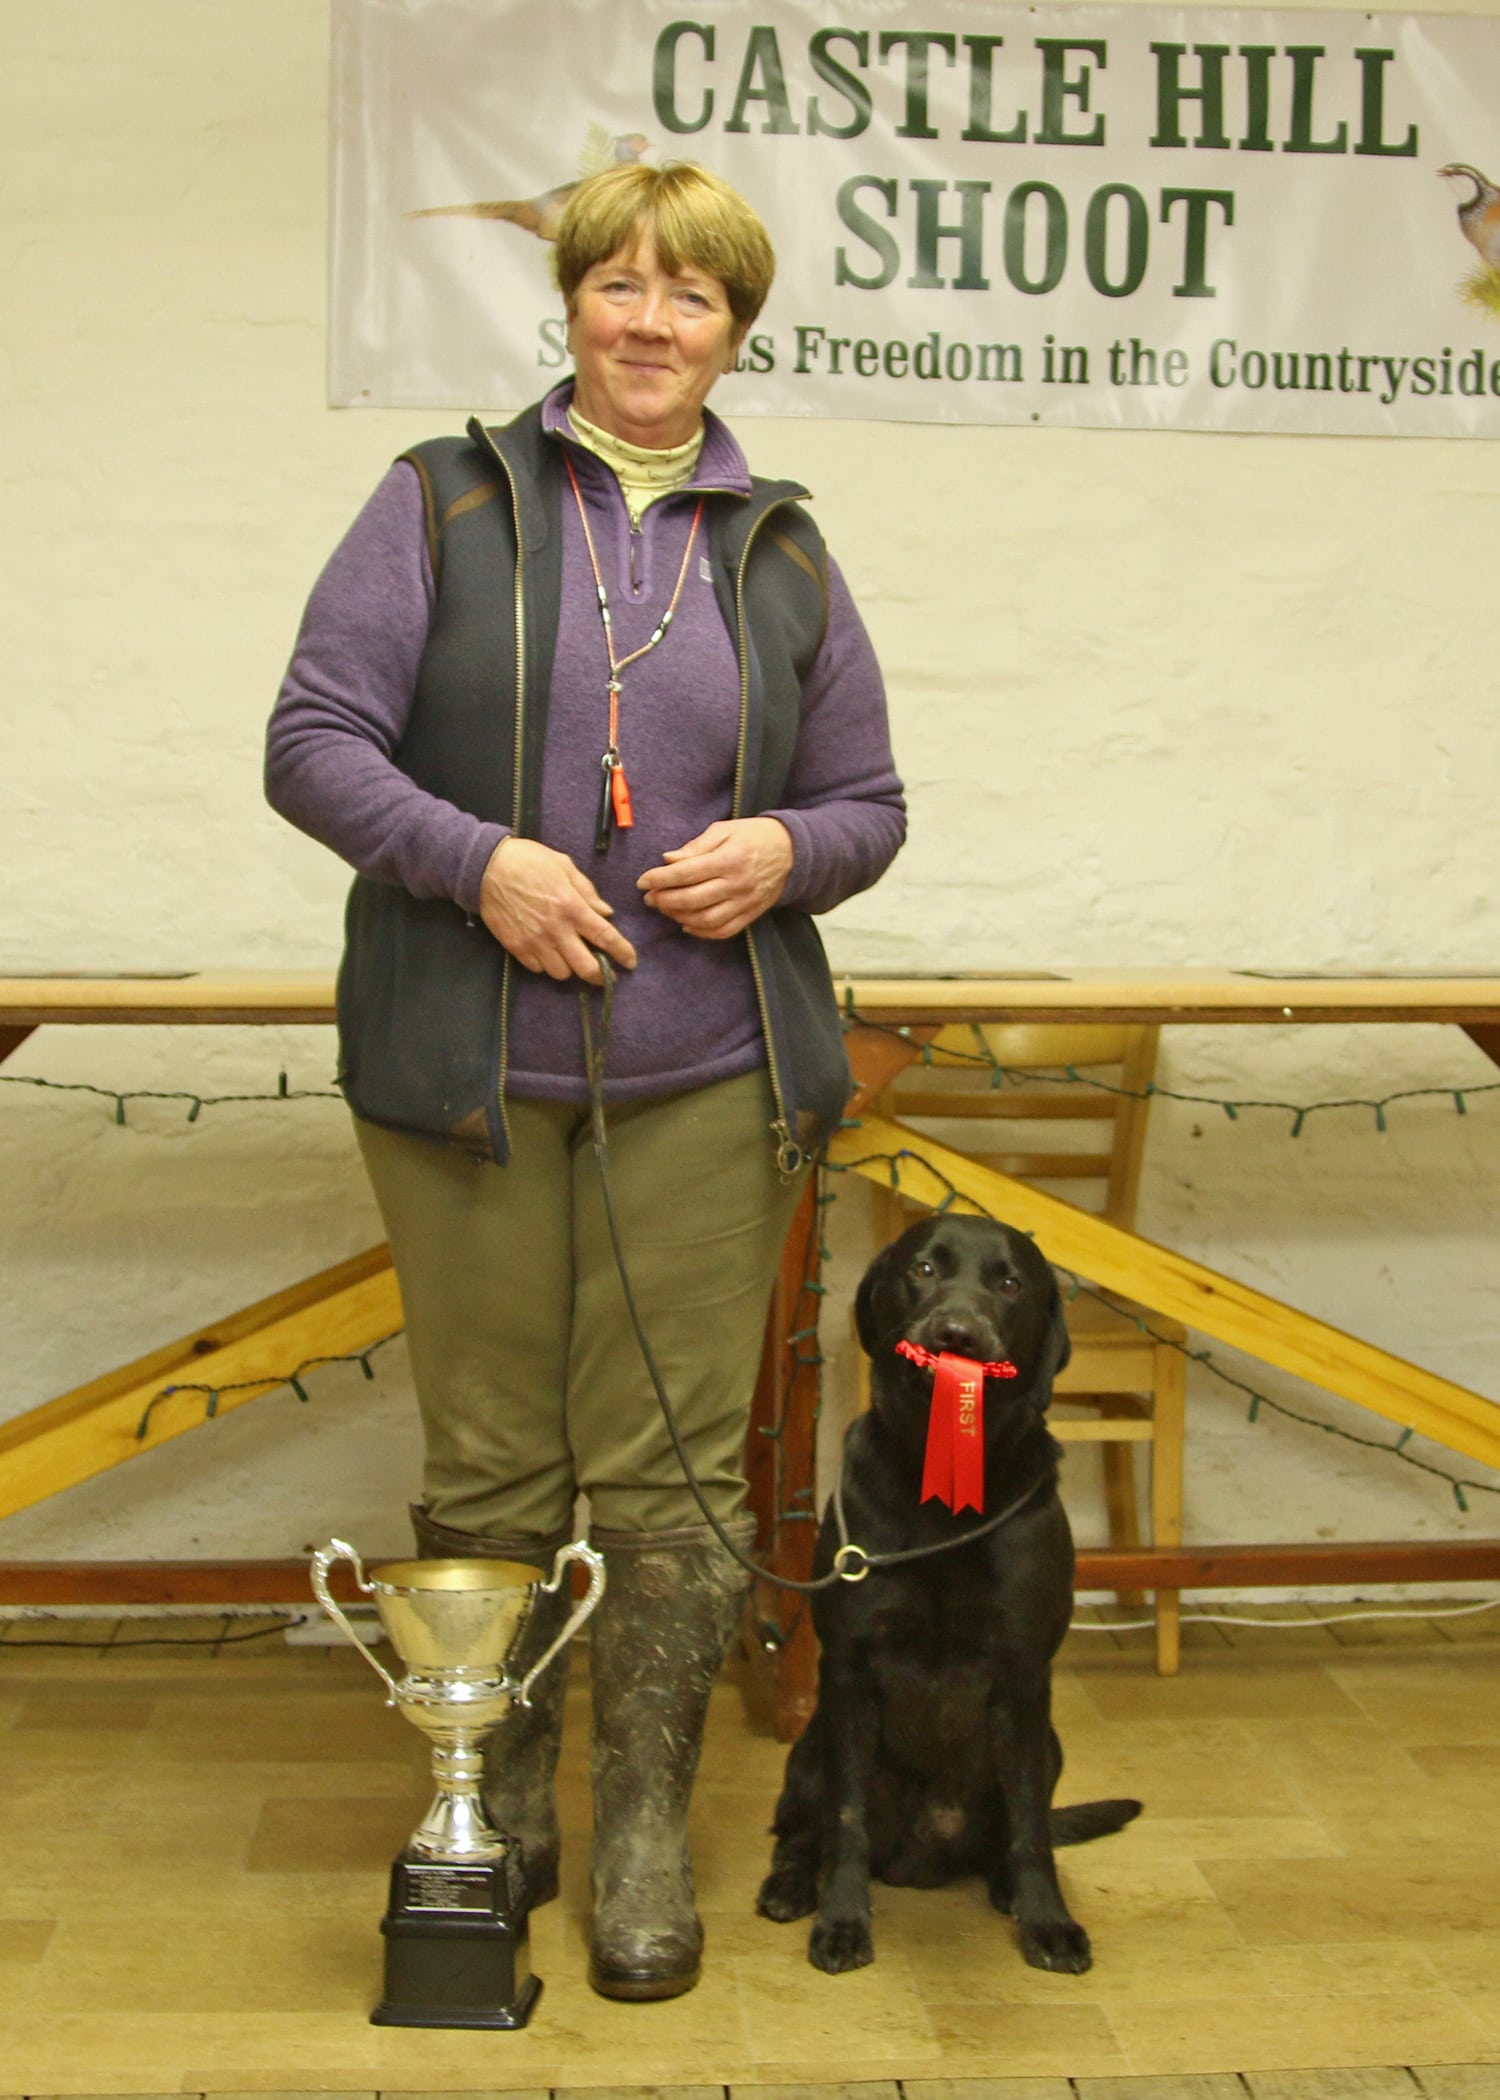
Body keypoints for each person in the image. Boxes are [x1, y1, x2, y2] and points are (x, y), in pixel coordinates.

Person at [265, 160, 905, 2001]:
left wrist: (787, 850)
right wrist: (479, 863)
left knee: (676, 1471)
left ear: (734, 330)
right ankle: (497, 1812)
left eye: (691, 295)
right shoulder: (441, 502)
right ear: (570, 306)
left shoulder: (782, 550)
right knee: (492, 1459)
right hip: (467, 1075)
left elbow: (870, 804)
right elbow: (312, 741)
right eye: (620, 284)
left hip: (711, 1076)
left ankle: (636, 1837)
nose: (650, 321)